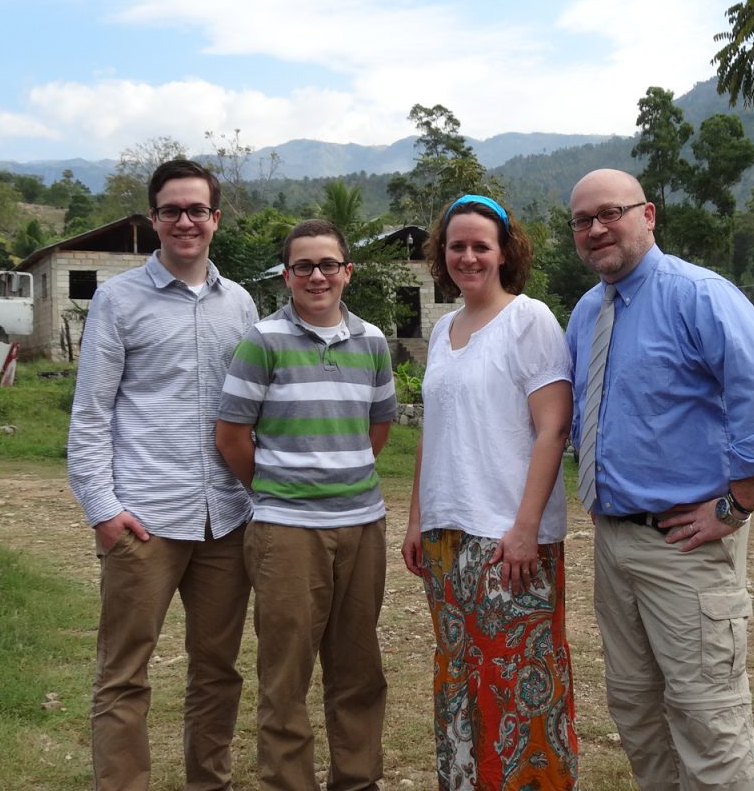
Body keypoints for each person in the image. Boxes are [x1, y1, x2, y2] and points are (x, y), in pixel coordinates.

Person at [565, 169, 754, 791]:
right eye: (583, 220)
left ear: (647, 215)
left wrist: (738, 504)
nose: (596, 229)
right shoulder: (588, 312)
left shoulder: (698, 294)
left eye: (610, 213)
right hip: (614, 542)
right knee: (636, 709)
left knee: (707, 717)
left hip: (685, 545)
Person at [67, 159, 259, 791]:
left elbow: (254, 407)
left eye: (197, 209)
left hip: (225, 519)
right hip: (143, 518)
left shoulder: (241, 303)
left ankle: (210, 782)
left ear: (215, 218)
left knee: (218, 671)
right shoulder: (119, 299)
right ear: (153, 218)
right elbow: (91, 410)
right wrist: (102, 508)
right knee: (124, 674)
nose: (185, 221)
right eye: (172, 210)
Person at [400, 194, 579, 790]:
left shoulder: (529, 319)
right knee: (460, 674)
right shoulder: (443, 328)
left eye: (482, 245)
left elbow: (553, 428)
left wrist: (525, 529)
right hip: (446, 536)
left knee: (521, 681)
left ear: (505, 252)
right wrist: (416, 520)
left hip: (507, 537)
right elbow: (434, 431)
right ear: (442, 253)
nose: (468, 256)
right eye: (457, 246)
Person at [215, 219, 397, 791]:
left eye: (328, 265)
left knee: (359, 668)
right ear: (286, 276)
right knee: (285, 675)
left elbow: (377, 428)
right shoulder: (262, 340)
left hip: (362, 527)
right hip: (287, 531)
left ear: (348, 272)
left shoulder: (372, 341)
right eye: (303, 266)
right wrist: (280, 488)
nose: (317, 276)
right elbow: (231, 436)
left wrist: (338, 473)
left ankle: (357, 779)